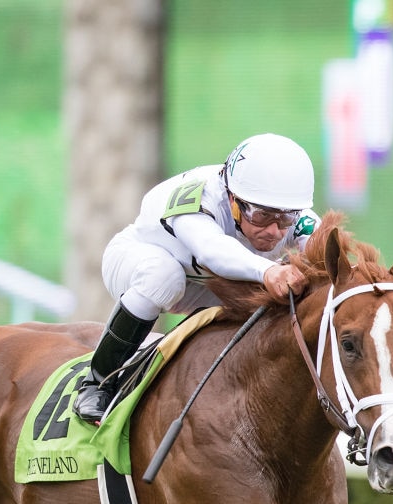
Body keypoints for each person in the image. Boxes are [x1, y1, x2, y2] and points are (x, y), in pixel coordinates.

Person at [72, 133, 321, 425]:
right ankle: (96, 385)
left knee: (279, 296)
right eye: (262, 216)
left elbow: (332, 257)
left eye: (286, 218)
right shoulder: (200, 195)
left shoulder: (296, 215)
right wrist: (269, 271)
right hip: (137, 262)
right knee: (165, 276)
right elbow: (211, 252)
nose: (275, 230)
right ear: (232, 197)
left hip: (208, 283)